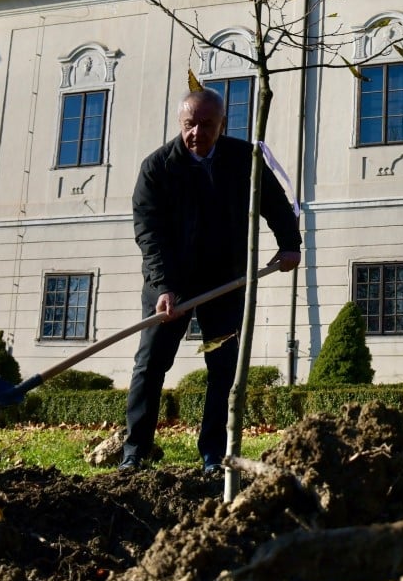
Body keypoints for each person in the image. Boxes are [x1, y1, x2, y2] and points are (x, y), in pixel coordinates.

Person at [122, 88, 301, 472]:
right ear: (180, 124)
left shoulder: (244, 160)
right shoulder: (157, 168)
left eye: (206, 125)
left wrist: (290, 244)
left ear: (223, 124)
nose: (196, 133)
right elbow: (148, 232)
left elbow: (274, 202)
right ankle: (135, 450)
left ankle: (213, 454)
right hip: (170, 284)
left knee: (223, 368)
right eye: (189, 125)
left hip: (225, 282)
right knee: (151, 364)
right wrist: (164, 284)